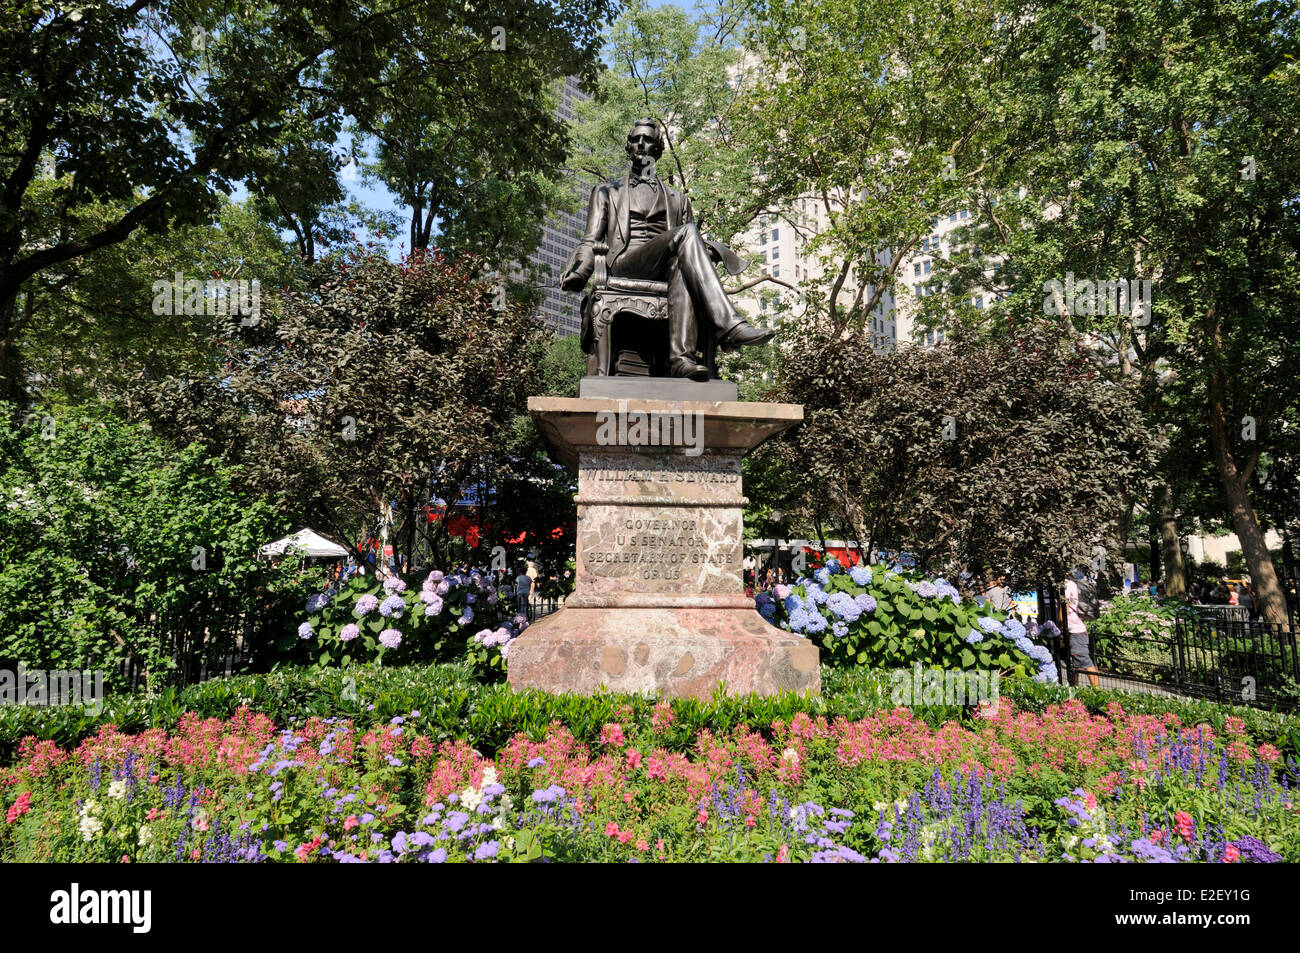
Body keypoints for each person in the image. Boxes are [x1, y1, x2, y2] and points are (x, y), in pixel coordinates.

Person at [558, 119, 773, 379]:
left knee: (682, 264)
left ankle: (681, 359)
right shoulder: (607, 191)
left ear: (658, 149)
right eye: (635, 139)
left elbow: (689, 252)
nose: (640, 144)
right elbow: (591, 240)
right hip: (625, 264)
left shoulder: (678, 199)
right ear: (628, 147)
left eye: (647, 139)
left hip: (665, 270)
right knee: (689, 233)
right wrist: (580, 273)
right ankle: (729, 326)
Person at [1064, 571, 1100, 687]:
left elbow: (1065, 606)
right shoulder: (1072, 584)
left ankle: (1097, 691)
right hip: (1075, 628)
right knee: (1075, 663)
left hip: (1075, 629)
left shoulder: (1068, 585)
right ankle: (1075, 689)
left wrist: (1060, 623)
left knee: (1084, 660)